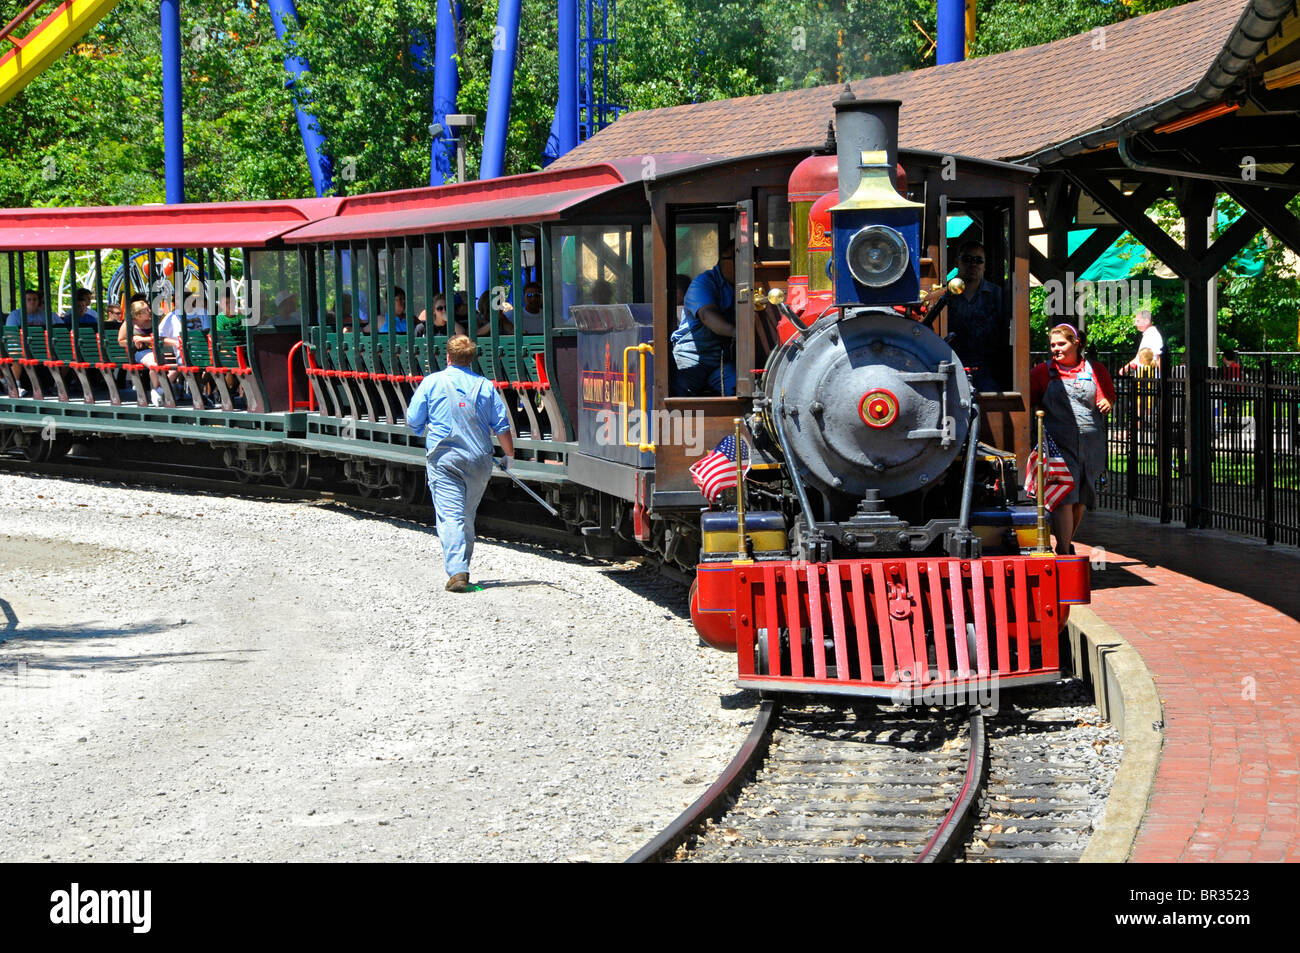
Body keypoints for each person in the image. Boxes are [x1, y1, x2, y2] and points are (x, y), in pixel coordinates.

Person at [406, 334, 515, 593]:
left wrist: (424, 429)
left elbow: (413, 419)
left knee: (450, 515)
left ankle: (457, 571)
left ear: (447, 357)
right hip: (479, 461)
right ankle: (461, 566)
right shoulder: (485, 386)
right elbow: (501, 425)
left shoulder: (432, 383)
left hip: (444, 460)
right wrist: (509, 455)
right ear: (471, 358)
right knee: (466, 515)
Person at [1029, 323, 1115, 556]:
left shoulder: (1094, 369)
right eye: (1052, 345)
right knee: (1065, 496)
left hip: (1091, 444)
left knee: (1080, 498)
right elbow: (1030, 402)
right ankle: (1065, 550)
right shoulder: (1041, 373)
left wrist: (1107, 402)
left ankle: (1066, 542)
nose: (1055, 349)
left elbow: (1107, 396)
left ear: (1076, 343)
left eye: (1061, 344)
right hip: (1059, 445)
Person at [922, 240, 1005, 392]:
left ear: (985, 265)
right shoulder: (942, 296)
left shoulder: (998, 295)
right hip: (950, 366)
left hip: (987, 369)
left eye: (978, 260)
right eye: (967, 259)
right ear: (957, 262)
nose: (973, 264)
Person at [671, 241, 737, 396]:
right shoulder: (702, 283)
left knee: (739, 388)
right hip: (692, 357)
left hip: (721, 361)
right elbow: (708, 316)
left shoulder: (745, 286)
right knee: (680, 393)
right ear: (723, 260)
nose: (747, 267)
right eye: (738, 259)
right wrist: (738, 332)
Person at [1122, 309, 1163, 376]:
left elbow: (1158, 356)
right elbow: (1139, 357)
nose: (1135, 324)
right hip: (1144, 376)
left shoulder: (1153, 335)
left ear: (1147, 321)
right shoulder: (1148, 334)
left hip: (1151, 377)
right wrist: (1126, 367)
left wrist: (1162, 379)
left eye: (1138, 321)